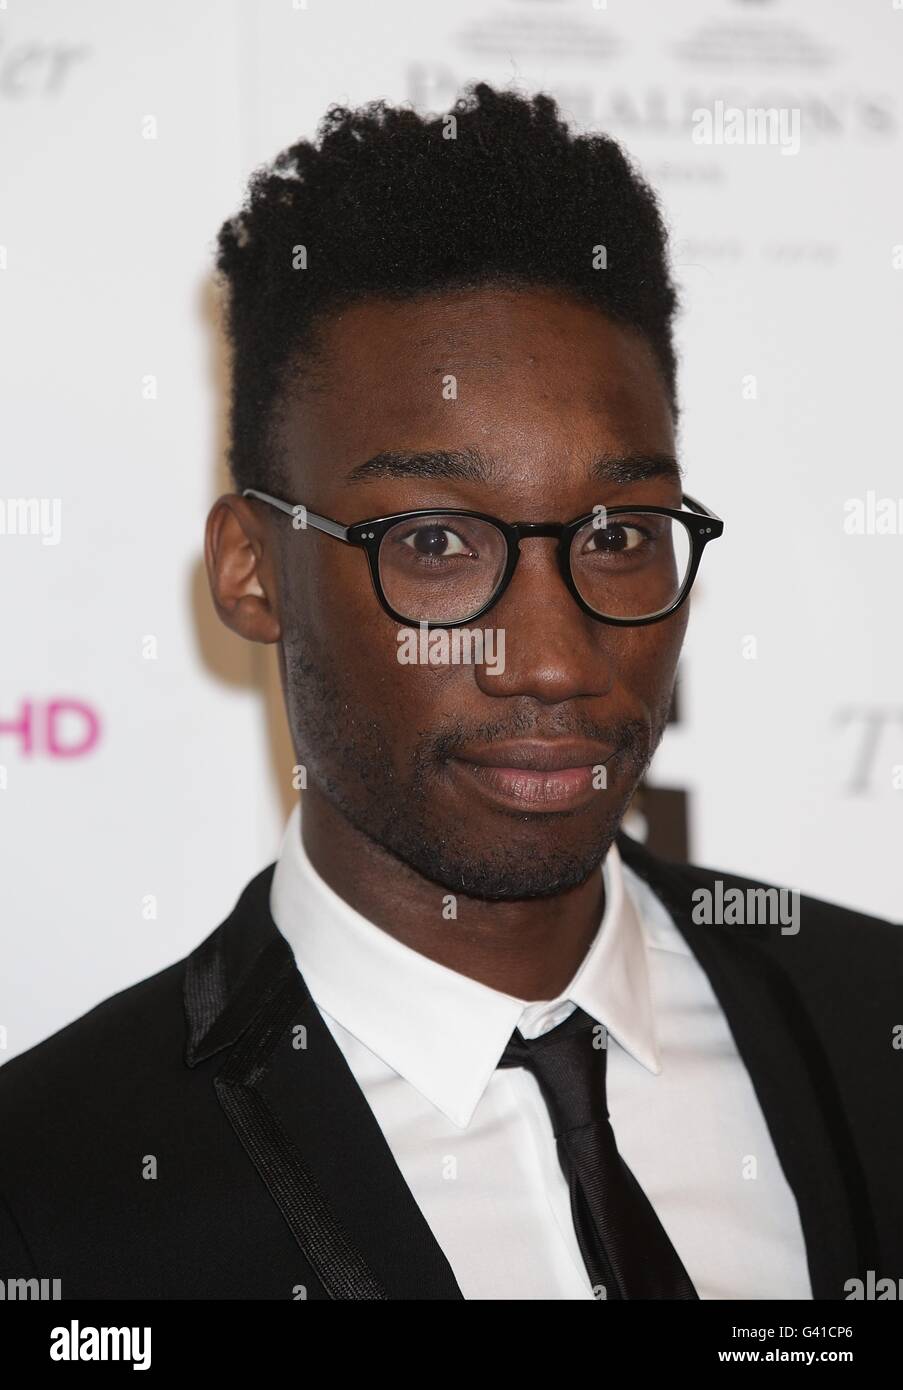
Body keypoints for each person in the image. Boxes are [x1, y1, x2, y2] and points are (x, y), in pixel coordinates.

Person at [1, 82, 899, 1301]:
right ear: (251, 569)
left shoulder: (872, 1023)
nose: (553, 658)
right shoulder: (56, 1193)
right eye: (434, 542)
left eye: (621, 534)